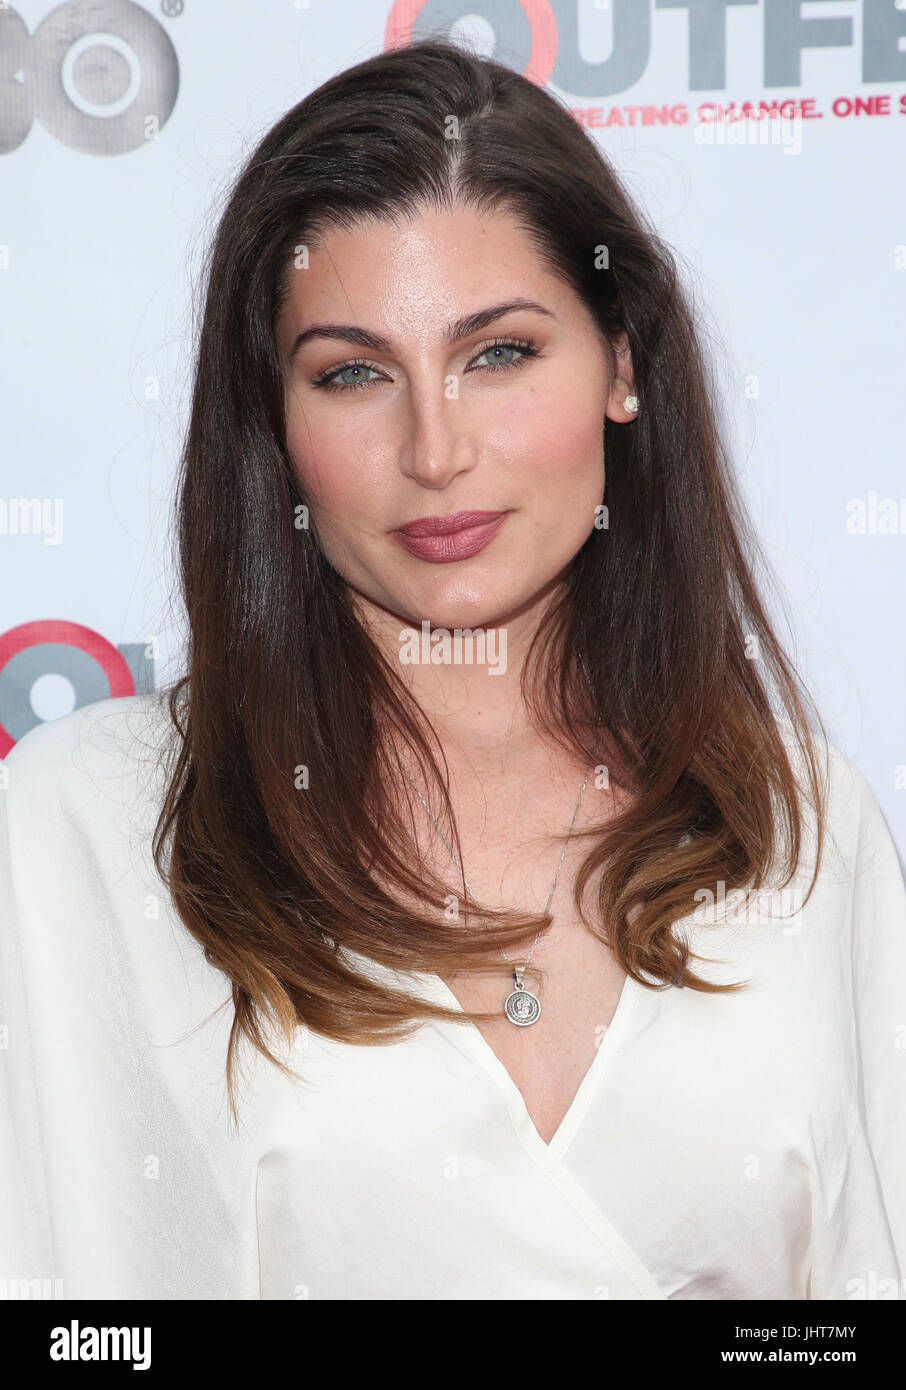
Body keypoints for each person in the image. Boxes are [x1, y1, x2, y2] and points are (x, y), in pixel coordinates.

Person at [1, 37, 904, 1302]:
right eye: (354, 372)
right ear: (274, 424)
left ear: (624, 366)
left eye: (499, 354)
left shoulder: (797, 821)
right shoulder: (86, 828)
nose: (436, 450)